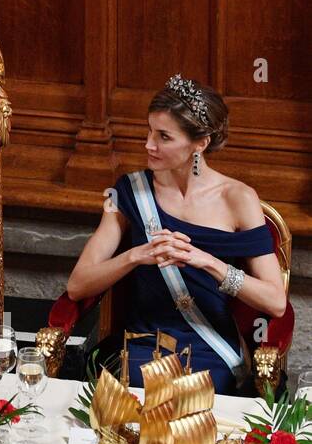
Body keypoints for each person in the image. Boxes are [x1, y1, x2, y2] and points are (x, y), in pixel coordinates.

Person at [66, 75, 285, 395]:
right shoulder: (130, 192)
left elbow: (275, 302)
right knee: (133, 394)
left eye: (164, 137)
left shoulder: (237, 198)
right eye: (149, 131)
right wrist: (135, 256)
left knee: (191, 399)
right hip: (143, 344)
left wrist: (208, 262)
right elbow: (77, 285)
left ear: (200, 143)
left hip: (211, 347)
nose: (148, 145)